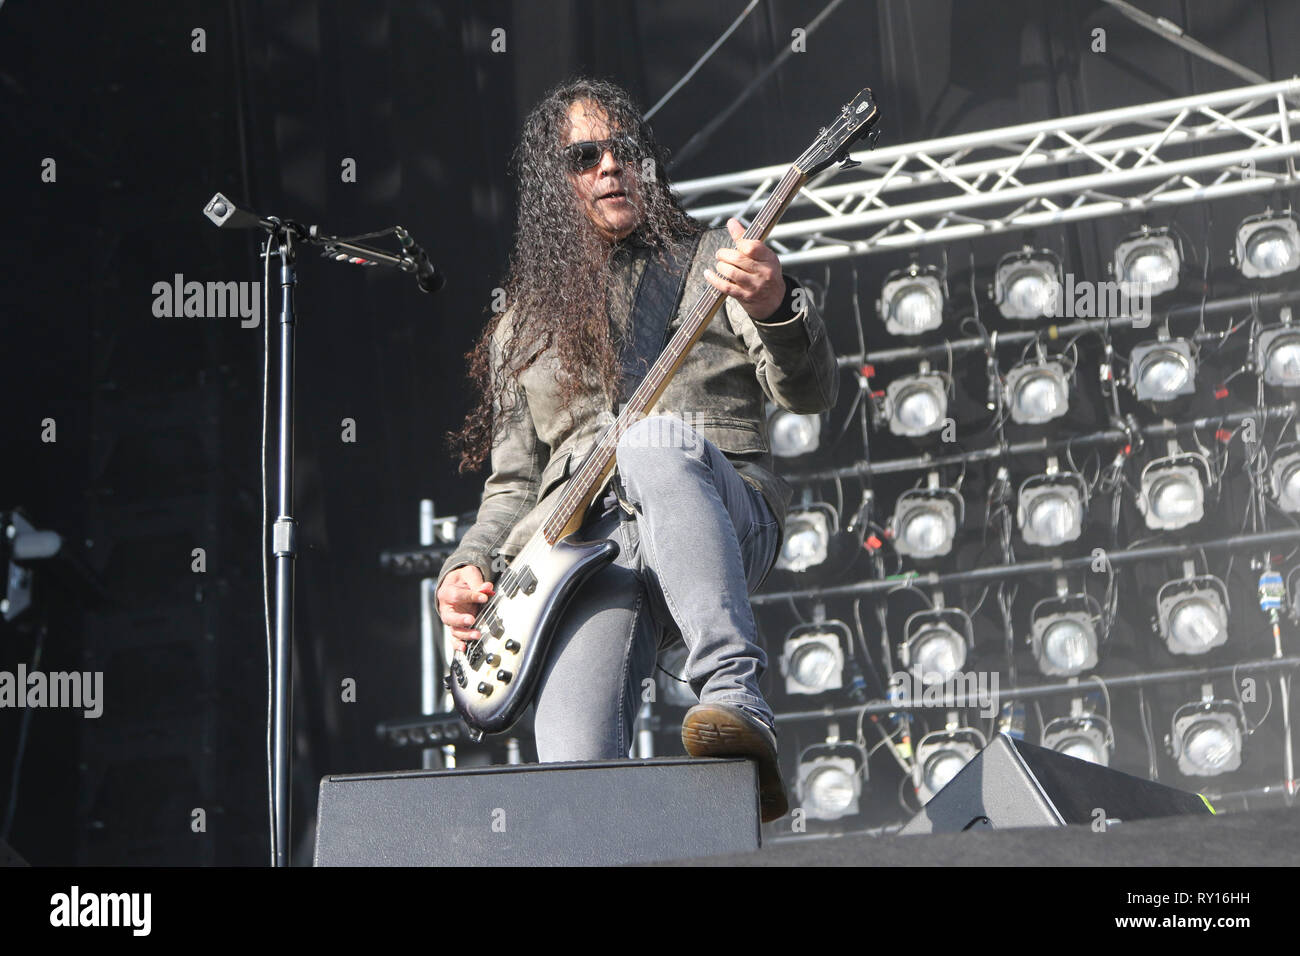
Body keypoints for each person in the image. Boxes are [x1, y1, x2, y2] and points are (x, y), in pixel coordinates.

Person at [436, 77, 838, 823]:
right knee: (572, 790)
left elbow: (809, 393)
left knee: (649, 442)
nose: (610, 167)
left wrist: (774, 305)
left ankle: (732, 701)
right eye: (585, 157)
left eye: (623, 150)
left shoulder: (714, 259)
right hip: (582, 555)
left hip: (716, 504)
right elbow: (511, 487)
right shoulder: (520, 329)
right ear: (556, 188)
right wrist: (467, 563)